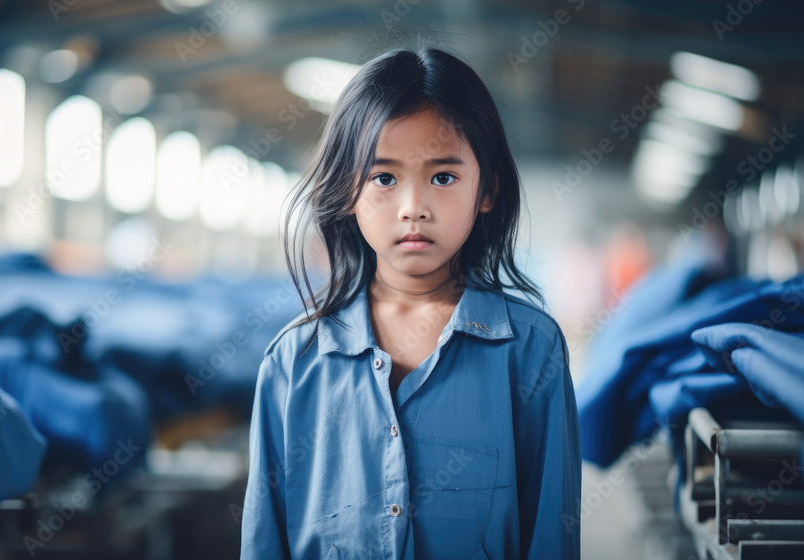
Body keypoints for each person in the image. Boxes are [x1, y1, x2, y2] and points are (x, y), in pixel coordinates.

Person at [240, 46, 581, 560]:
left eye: (443, 177)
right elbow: (265, 538)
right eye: (384, 178)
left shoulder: (531, 351)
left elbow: (552, 536)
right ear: (347, 190)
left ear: (487, 189)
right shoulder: (294, 361)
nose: (413, 208)